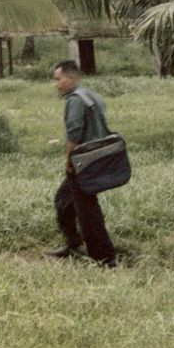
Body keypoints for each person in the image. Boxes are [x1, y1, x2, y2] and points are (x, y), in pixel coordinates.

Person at [49, 58, 118, 266]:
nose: (56, 83)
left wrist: (68, 161)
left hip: (82, 160)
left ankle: (104, 258)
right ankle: (74, 243)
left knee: (87, 210)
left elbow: (74, 134)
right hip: (98, 157)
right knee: (64, 201)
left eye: (58, 79)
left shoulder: (75, 100)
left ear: (71, 78)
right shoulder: (91, 95)